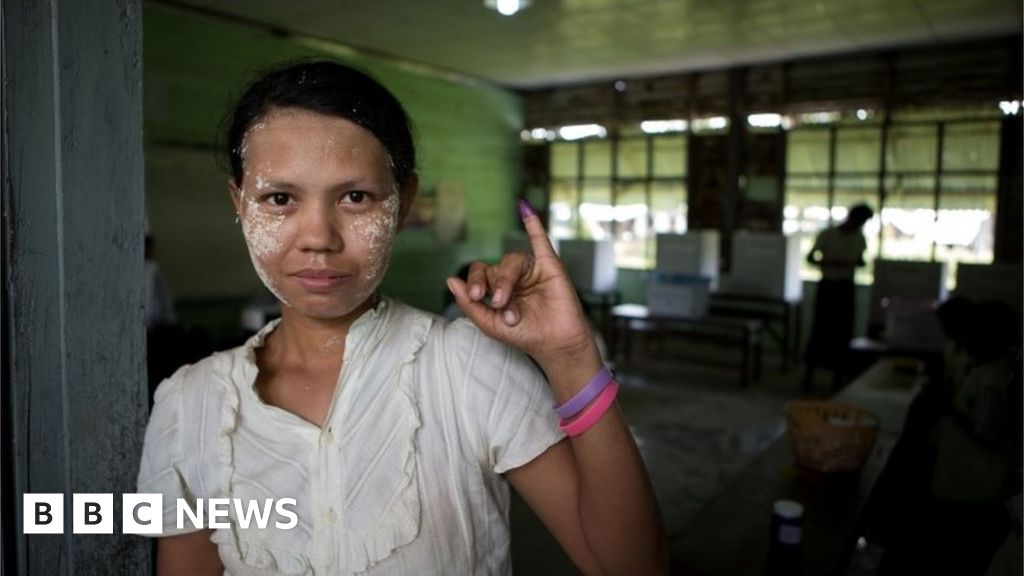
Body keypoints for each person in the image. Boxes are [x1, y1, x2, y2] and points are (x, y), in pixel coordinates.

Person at [137, 61, 666, 575]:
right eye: (279, 198)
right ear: (239, 202)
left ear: (403, 202)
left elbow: (631, 565)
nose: (319, 236)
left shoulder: (467, 369)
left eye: (355, 196)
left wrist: (570, 359)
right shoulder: (190, 405)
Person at [802, 203, 873, 388]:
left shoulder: (860, 238)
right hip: (828, 286)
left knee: (843, 333)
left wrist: (850, 263)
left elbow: (861, 261)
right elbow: (810, 258)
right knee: (820, 330)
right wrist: (831, 263)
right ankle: (809, 375)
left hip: (846, 288)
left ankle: (838, 376)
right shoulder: (827, 235)